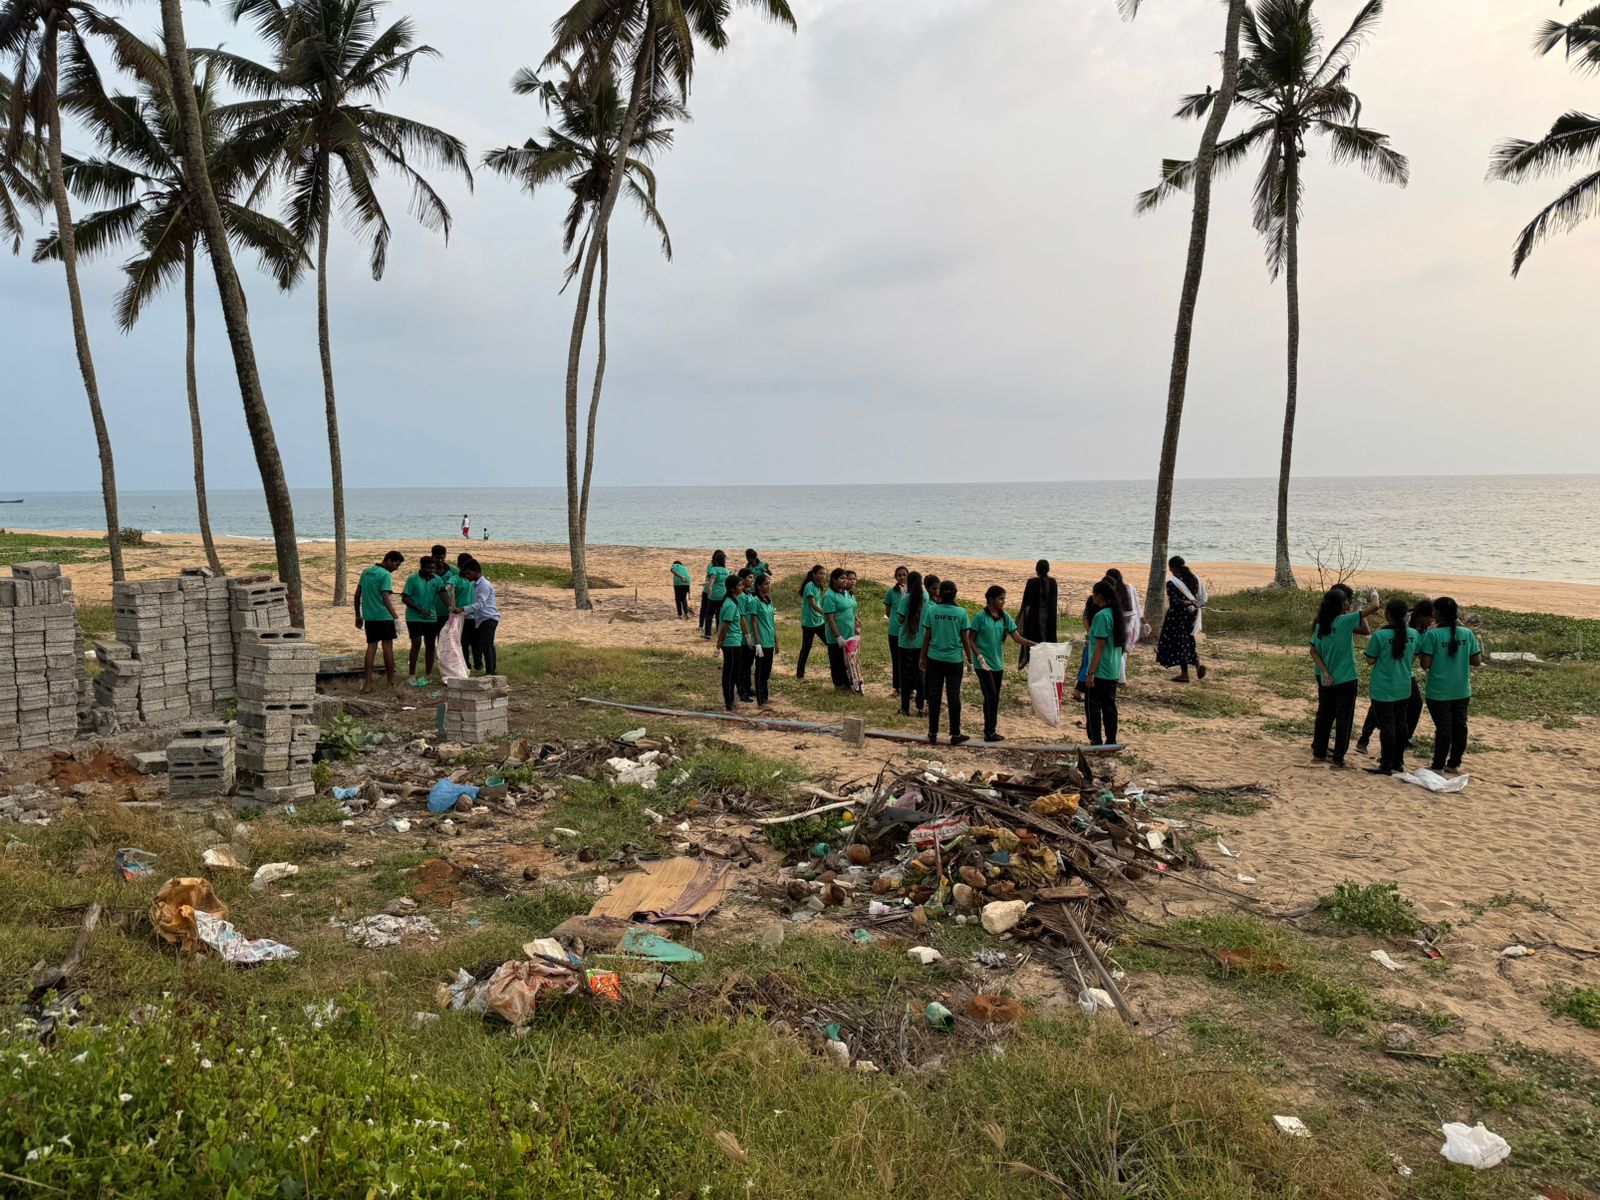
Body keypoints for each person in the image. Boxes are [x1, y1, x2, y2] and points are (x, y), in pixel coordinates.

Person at [1309, 585, 1381, 767]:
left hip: (1327, 680)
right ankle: (1338, 759)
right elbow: (1375, 607)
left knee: (1324, 716)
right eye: (1346, 601)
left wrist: (1324, 671)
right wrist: (1373, 595)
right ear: (1342, 605)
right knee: (1344, 719)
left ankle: (1318, 753)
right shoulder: (1344, 621)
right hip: (1346, 679)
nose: (1348, 603)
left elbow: (1313, 651)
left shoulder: (1321, 625)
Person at [1358, 599, 1432, 756]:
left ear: (1387, 614)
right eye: (1430, 617)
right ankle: (1368, 740)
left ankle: (1397, 747)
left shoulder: (1385, 634)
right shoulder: (1411, 630)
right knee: (1390, 716)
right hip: (1399, 677)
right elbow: (1415, 654)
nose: (1432, 620)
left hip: (1396, 676)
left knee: (1397, 715)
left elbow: (1371, 659)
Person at [1418, 596, 1482, 775]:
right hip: (1461, 689)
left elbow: (1425, 664)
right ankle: (1453, 763)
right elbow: (1476, 660)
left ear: (1437, 613)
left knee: (1444, 728)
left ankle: (1438, 765)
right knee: (1460, 726)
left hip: (1439, 690)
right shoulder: (1467, 633)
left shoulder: (1433, 635)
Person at [970, 585, 1035, 742]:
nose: (1003, 602)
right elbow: (970, 639)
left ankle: (991, 729)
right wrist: (978, 657)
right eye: (1001, 599)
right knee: (990, 695)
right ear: (991, 600)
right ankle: (989, 731)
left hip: (998, 665)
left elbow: (1017, 638)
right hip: (983, 665)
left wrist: (1034, 644)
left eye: (1004, 599)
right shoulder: (980, 617)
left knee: (994, 697)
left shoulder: (1005, 617)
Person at [920, 579, 971, 745]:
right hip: (954, 660)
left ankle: (932, 732)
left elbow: (927, 636)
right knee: (953, 695)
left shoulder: (932, 611)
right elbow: (965, 639)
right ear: (955, 594)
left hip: (934, 658)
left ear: (940, 593)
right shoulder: (961, 613)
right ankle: (955, 733)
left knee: (934, 695)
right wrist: (970, 659)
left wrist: (922, 657)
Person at [1084, 579, 1127, 746]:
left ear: (1100, 596)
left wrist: (1091, 672)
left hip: (1100, 668)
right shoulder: (1116, 615)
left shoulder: (1101, 616)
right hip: (1113, 667)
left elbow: (1100, 646)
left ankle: (1096, 740)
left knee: (1093, 705)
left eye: (1094, 594)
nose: (1092, 597)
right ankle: (1111, 739)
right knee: (1109, 705)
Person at [355, 550, 405, 693]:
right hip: (384, 616)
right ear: (389, 560)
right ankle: (391, 682)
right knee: (387, 647)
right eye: (396, 564)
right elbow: (385, 597)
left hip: (369, 617)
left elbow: (357, 594)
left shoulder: (366, 571)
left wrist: (358, 615)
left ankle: (367, 684)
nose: (396, 568)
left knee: (371, 648)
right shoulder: (385, 575)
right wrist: (395, 616)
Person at [1156, 556, 1208, 682]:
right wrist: (1193, 603)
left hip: (1177, 617)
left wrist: (1188, 602)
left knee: (1180, 644)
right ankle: (1197, 666)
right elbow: (1202, 596)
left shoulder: (1172, 582)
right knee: (1189, 640)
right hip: (1192, 614)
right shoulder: (1193, 577)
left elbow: (1175, 601)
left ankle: (1184, 674)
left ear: (1173, 567)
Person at [401, 555, 442, 679]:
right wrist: (419, 609)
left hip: (431, 617)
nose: (431, 571)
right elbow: (405, 597)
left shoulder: (437, 579)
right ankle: (412, 673)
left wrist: (451, 607)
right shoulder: (412, 579)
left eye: (433, 568)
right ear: (422, 567)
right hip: (414, 617)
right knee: (416, 643)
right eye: (429, 568)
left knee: (430, 644)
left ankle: (428, 673)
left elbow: (443, 593)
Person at [458, 557, 500, 675]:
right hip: (482, 618)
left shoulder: (484, 585)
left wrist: (463, 609)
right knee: (488, 645)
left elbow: (480, 605)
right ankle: (492, 671)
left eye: (469, 573)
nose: (467, 576)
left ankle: (490, 672)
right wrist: (466, 613)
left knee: (486, 645)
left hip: (488, 618)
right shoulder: (476, 585)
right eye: (465, 574)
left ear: (477, 571)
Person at [1017, 560, 1058, 669]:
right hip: (1049, 618)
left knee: (1034, 640)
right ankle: (1048, 664)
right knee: (1047, 638)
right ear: (1048, 569)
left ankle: (1035, 665)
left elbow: (1025, 602)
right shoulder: (1053, 582)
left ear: (1036, 570)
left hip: (1034, 618)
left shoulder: (1031, 582)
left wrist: (1021, 619)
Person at [717, 571, 749, 711]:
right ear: (732, 588)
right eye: (739, 585)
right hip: (730, 643)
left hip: (735, 641)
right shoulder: (730, 604)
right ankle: (729, 703)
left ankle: (732, 701)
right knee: (729, 674)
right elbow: (725, 627)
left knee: (734, 672)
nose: (742, 587)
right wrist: (719, 643)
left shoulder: (734, 601)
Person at [821, 568, 856, 691]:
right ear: (833, 580)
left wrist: (856, 624)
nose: (845, 580)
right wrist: (838, 636)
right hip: (836, 636)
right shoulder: (830, 596)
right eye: (842, 578)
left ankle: (848, 683)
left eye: (846, 578)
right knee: (837, 661)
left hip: (849, 633)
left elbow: (851, 610)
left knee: (848, 661)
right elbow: (830, 619)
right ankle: (839, 685)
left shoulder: (846, 592)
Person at [898, 569, 927, 717]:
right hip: (921, 642)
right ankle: (921, 708)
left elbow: (901, 619)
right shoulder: (926, 596)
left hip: (906, 642)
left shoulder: (906, 598)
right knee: (920, 675)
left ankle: (905, 709)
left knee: (905, 676)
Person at [750, 574, 779, 711]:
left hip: (770, 640)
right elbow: (754, 623)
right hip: (761, 640)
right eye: (766, 584)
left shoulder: (769, 600)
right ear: (759, 586)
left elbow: (772, 623)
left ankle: (765, 696)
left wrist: (776, 641)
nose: (768, 586)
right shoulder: (755, 601)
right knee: (760, 671)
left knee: (767, 671)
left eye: (769, 583)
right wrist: (757, 642)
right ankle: (760, 700)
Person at [796, 564, 828, 680]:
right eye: (820, 573)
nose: (822, 576)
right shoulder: (809, 585)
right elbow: (812, 604)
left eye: (824, 573)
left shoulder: (818, 586)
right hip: (809, 622)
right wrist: (824, 613)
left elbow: (819, 601)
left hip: (819, 621)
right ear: (814, 574)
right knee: (806, 648)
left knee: (829, 642)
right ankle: (800, 674)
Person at [884, 565, 909, 692]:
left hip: (908, 631)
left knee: (908, 660)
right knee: (896, 659)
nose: (902, 577)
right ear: (896, 577)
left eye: (904, 575)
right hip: (894, 631)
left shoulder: (912, 592)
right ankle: (897, 687)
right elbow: (888, 612)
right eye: (899, 575)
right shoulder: (891, 592)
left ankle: (910, 687)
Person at [736, 567, 759, 701]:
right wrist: (747, 636)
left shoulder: (749, 593)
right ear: (742, 579)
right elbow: (741, 617)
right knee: (743, 666)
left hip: (751, 632)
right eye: (749, 577)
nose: (752, 580)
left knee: (749, 664)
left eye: (752, 577)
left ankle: (748, 687)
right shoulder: (741, 596)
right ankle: (742, 691)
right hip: (744, 636)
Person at [452, 552, 478, 666]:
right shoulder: (456, 579)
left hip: (475, 614)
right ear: (459, 566)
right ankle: (466, 663)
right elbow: (449, 590)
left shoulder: (475, 579)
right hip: (461, 615)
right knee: (463, 641)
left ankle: (478, 663)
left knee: (476, 641)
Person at [700, 550, 730, 640]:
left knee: (709, 613)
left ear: (716, 560)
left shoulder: (713, 569)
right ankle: (719, 631)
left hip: (714, 595)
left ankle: (708, 633)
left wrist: (710, 587)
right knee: (720, 614)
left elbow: (712, 577)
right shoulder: (726, 570)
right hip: (723, 595)